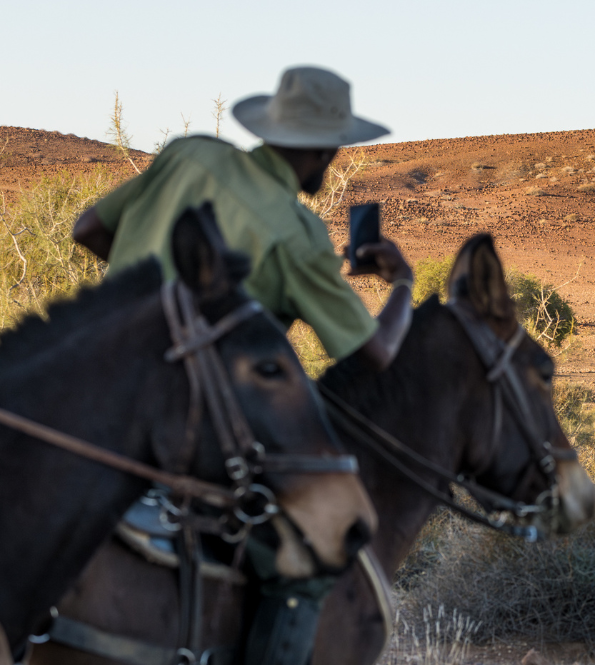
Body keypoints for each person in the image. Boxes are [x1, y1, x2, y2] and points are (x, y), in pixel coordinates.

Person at [73, 66, 413, 665]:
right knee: (306, 557)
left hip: (86, 384)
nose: (334, 160)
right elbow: (375, 354)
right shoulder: (296, 235)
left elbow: (89, 228)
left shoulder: (188, 155)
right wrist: (404, 285)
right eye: (334, 149)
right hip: (180, 417)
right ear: (317, 150)